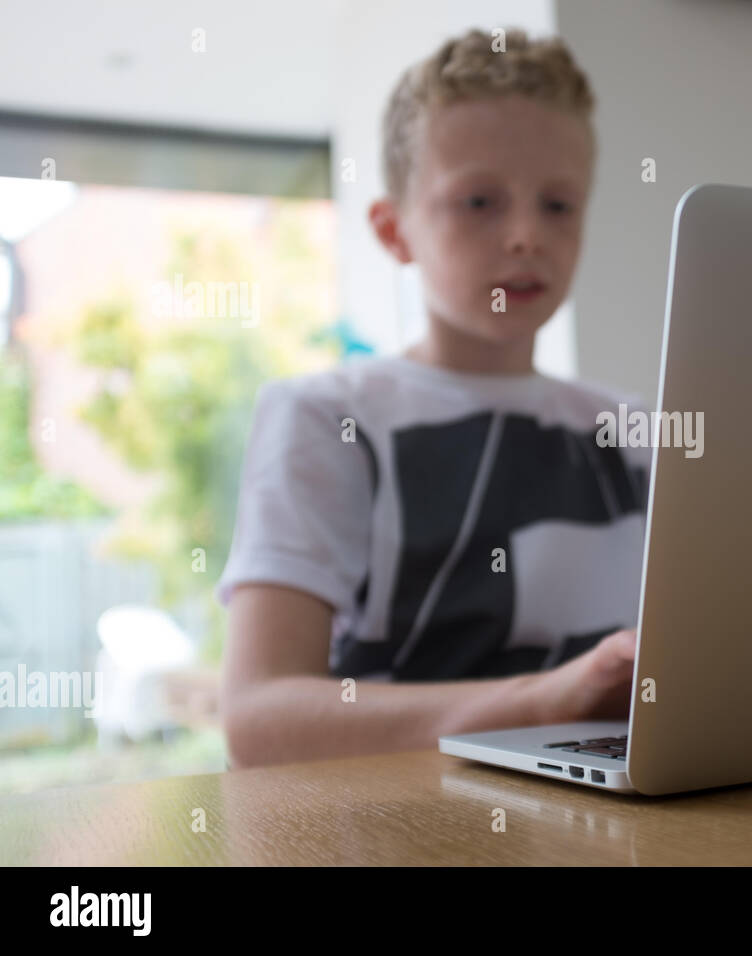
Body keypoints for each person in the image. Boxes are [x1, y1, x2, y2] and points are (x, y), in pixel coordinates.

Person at [217, 28, 649, 769]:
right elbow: (258, 717)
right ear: (393, 231)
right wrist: (544, 702)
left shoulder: (639, 431)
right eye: (479, 201)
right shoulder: (325, 418)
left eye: (558, 205)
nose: (525, 236)